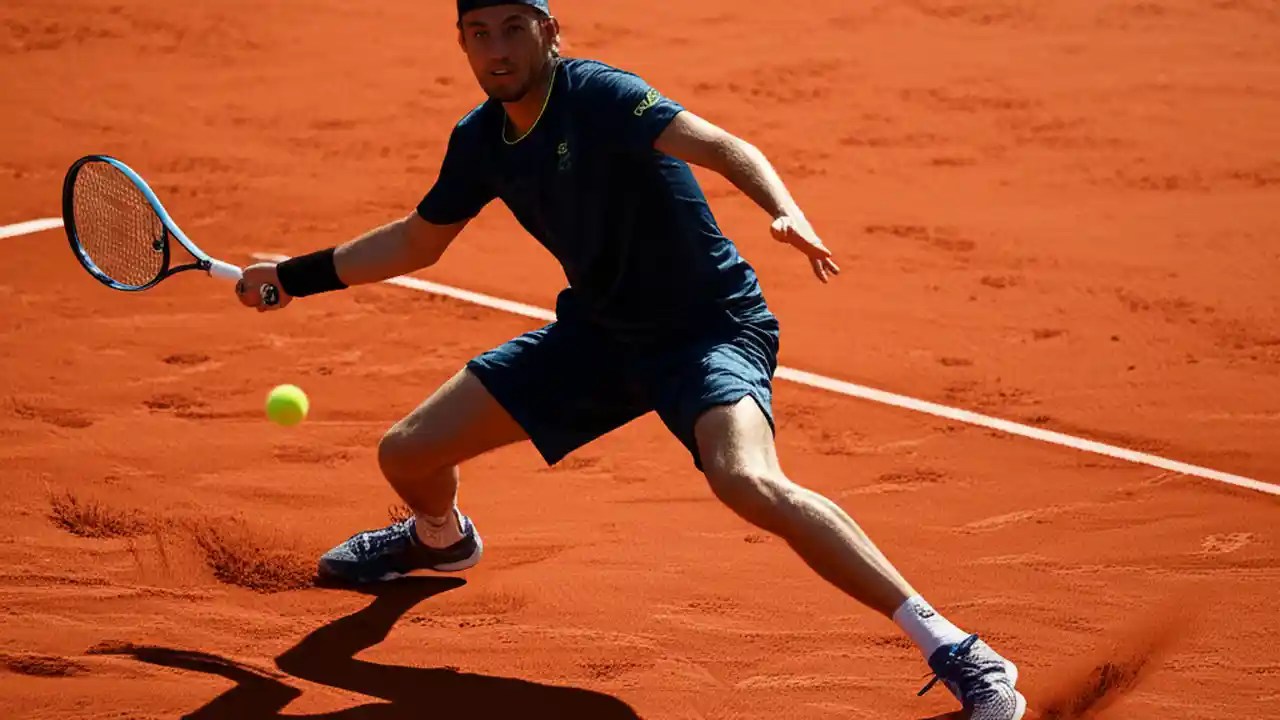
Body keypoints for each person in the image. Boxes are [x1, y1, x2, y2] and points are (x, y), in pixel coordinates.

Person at [235, 1, 1027, 717]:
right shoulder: (479, 141)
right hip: (600, 336)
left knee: (747, 480)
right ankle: (439, 539)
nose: (497, 49)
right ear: (463, 47)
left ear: (549, 31)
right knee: (407, 453)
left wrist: (782, 212)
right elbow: (418, 241)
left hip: (706, 330)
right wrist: (294, 278)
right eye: (479, 34)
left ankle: (959, 650)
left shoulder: (602, 96)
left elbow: (721, 144)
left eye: (514, 28)